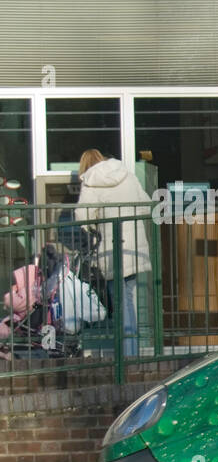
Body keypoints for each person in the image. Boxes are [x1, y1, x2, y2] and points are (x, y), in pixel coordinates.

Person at [74, 149, 153, 356]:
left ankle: (129, 355)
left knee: (121, 302)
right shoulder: (127, 174)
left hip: (112, 249)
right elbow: (145, 205)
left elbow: (83, 217)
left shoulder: (90, 181)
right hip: (134, 247)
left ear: (85, 166)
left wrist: (94, 227)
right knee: (127, 297)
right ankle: (131, 352)